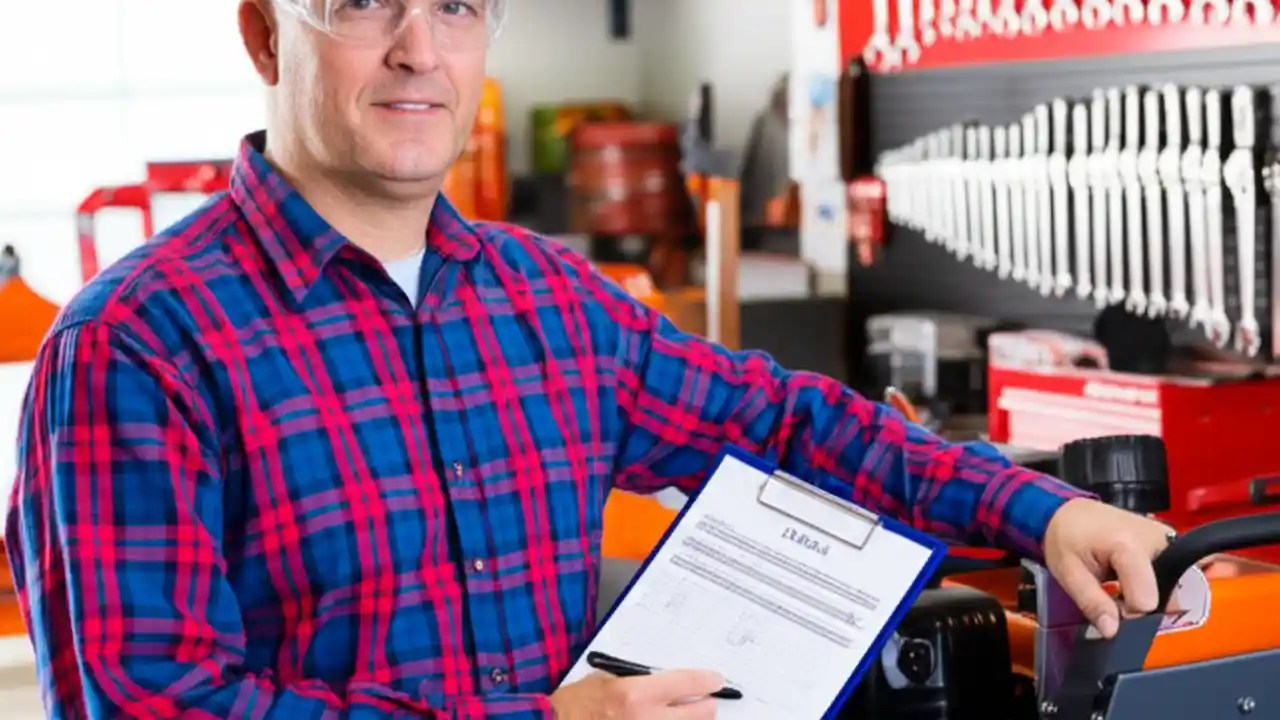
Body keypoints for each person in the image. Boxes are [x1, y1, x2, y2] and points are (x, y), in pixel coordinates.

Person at [4, 1, 1175, 718]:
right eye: (362, 3)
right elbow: (153, 703)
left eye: (457, 6)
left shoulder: (544, 299)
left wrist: (1039, 511)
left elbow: (788, 426)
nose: (418, 49)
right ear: (264, 28)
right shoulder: (136, 345)